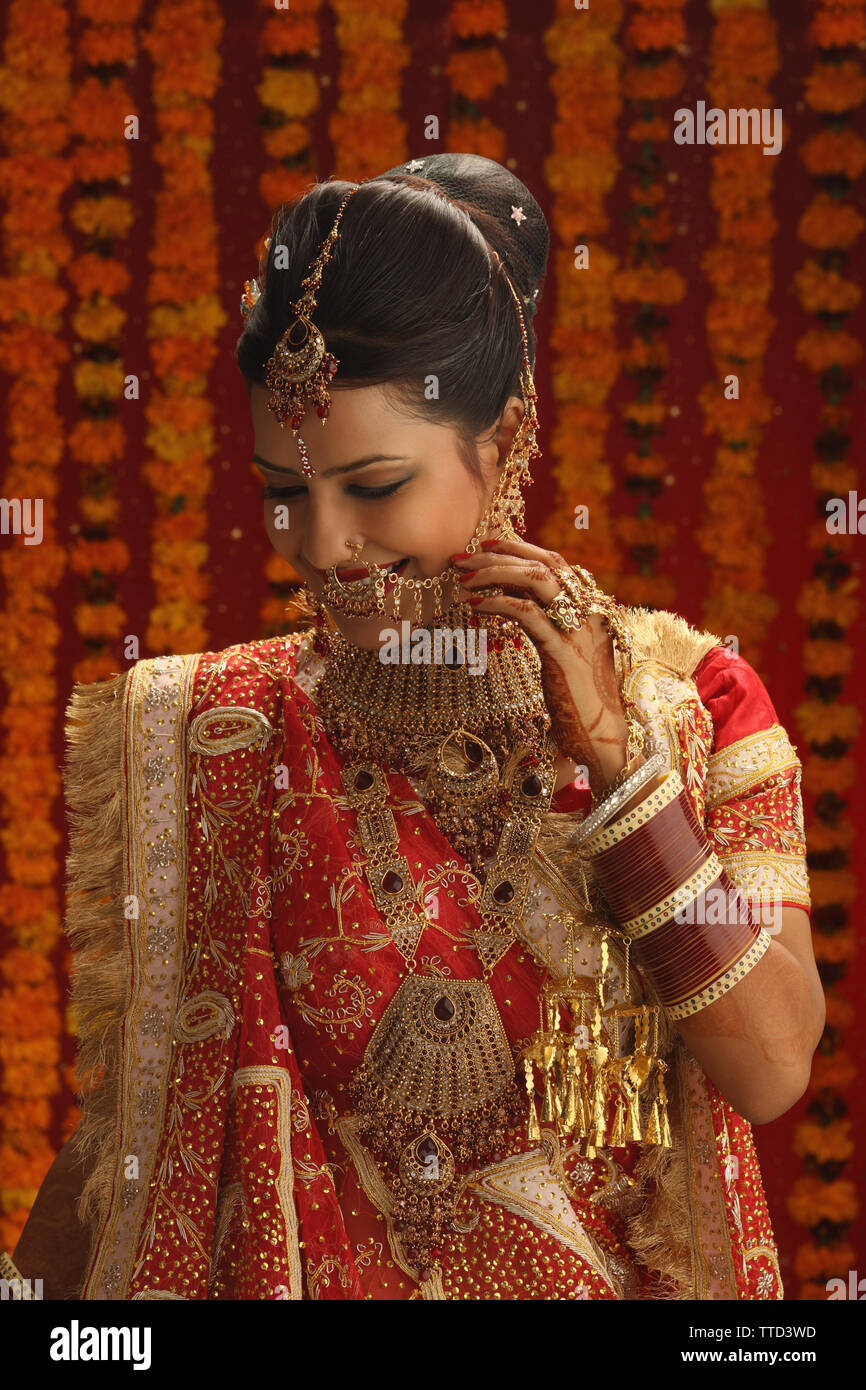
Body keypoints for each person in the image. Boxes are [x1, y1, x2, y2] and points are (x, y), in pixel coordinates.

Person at [6, 155, 823, 1302]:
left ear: (501, 440)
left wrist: (620, 773)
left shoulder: (688, 706)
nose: (322, 545)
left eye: (374, 484)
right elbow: (144, 1131)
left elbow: (773, 1064)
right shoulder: (219, 731)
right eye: (283, 492)